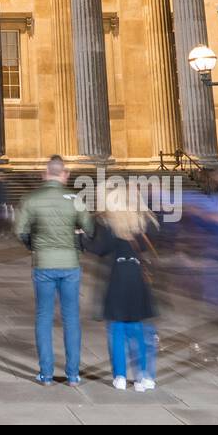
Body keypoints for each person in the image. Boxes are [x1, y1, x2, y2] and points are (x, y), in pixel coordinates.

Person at [15, 156, 94, 386]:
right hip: (70, 264)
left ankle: (46, 374)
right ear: (65, 174)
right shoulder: (76, 199)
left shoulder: (31, 199)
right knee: (71, 319)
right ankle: (73, 374)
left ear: (44, 174)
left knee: (43, 317)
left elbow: (20, 231)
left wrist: (35, 246)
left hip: (43, 265)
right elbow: (89, 228)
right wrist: (76, 232)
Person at [86, 205, 158, 390]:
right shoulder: (141, 225)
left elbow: (100, 248)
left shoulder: (110, 225)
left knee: (117, 329)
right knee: (137, 328)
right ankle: (142, 375)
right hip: (136, 278)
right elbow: (148, 245)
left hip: (117, 277)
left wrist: (79, 236)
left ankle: (120, 376)